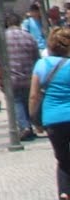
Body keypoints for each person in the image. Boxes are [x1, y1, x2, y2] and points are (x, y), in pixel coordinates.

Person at [30, 25, 70, 199]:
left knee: (63, 160)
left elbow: (33, 96)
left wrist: (35, 120)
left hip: (52, 119)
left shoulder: (41, 64)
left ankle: (64, 192)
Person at [6, 11, 41, 138]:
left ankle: (24, 126)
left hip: (12, 76)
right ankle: (30, 126)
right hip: (29, 76)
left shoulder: (3, 37)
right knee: (27, 100)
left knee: (16, 101)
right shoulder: (29, 36)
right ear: (19, 23)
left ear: (8, 23)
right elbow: (37, 58)